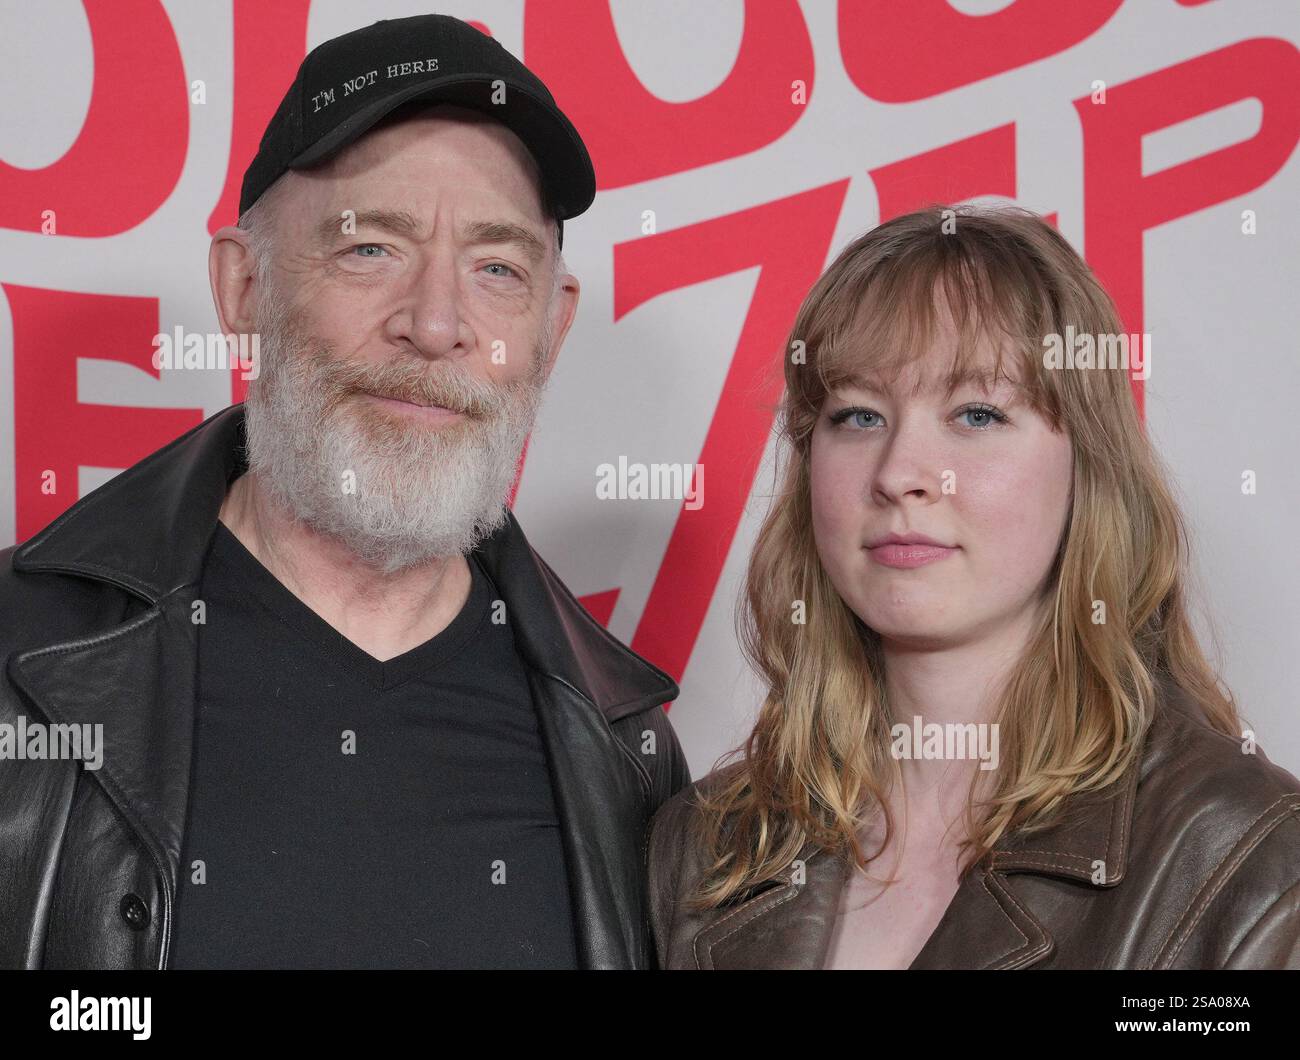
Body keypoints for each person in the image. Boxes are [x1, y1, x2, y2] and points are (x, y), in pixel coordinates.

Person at [0, 14, 688, 969]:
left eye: (496, 269)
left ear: (551, 328)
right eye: (371, 249)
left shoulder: (628, 755)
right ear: (244, 287)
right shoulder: (19, 659)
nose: (437, 324)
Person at [647, 203, 1300, 969]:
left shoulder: (1249, 859)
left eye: (977, 413)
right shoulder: (703, 847)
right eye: (857, 416)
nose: (898, 476)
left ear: (1087, 465)